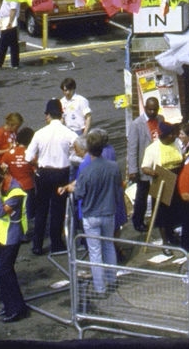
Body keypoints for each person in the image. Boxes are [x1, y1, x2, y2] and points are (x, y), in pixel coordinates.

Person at [68, 129, 121, 297]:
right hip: (109, 212)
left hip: (91, 214)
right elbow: (118, 187)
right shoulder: (113, 167)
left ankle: (100, 288)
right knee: (109, 246)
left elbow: (79, 194)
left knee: (95, 252)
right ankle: (112, 280)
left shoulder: (86, 170)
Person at [25, 100, 78, 256]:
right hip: (61, 173)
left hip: (43, 173)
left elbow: (28, 157)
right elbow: (79, 147)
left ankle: (37, 244)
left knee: (41, 209)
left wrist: (37, 164)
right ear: (61, 115)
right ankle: (56, 243)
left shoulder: (40, 133)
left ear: (48, 115)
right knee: (57, 209)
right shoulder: (68, 133)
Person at [0, 166, 30, 322]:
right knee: (6, 274)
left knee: (4, 273)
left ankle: (16, 309)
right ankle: (10, 306)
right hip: (3, 235)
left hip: (12, 237)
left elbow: (0, 212)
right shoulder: (6, 187)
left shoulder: (15, 192)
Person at [0, 0, 23, 69]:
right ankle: (15, 63)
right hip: (5, 20)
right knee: (13, 43)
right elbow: (2, 7)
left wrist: (10, 22)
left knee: (3, 42)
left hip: (9, 20)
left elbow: (13, 10)